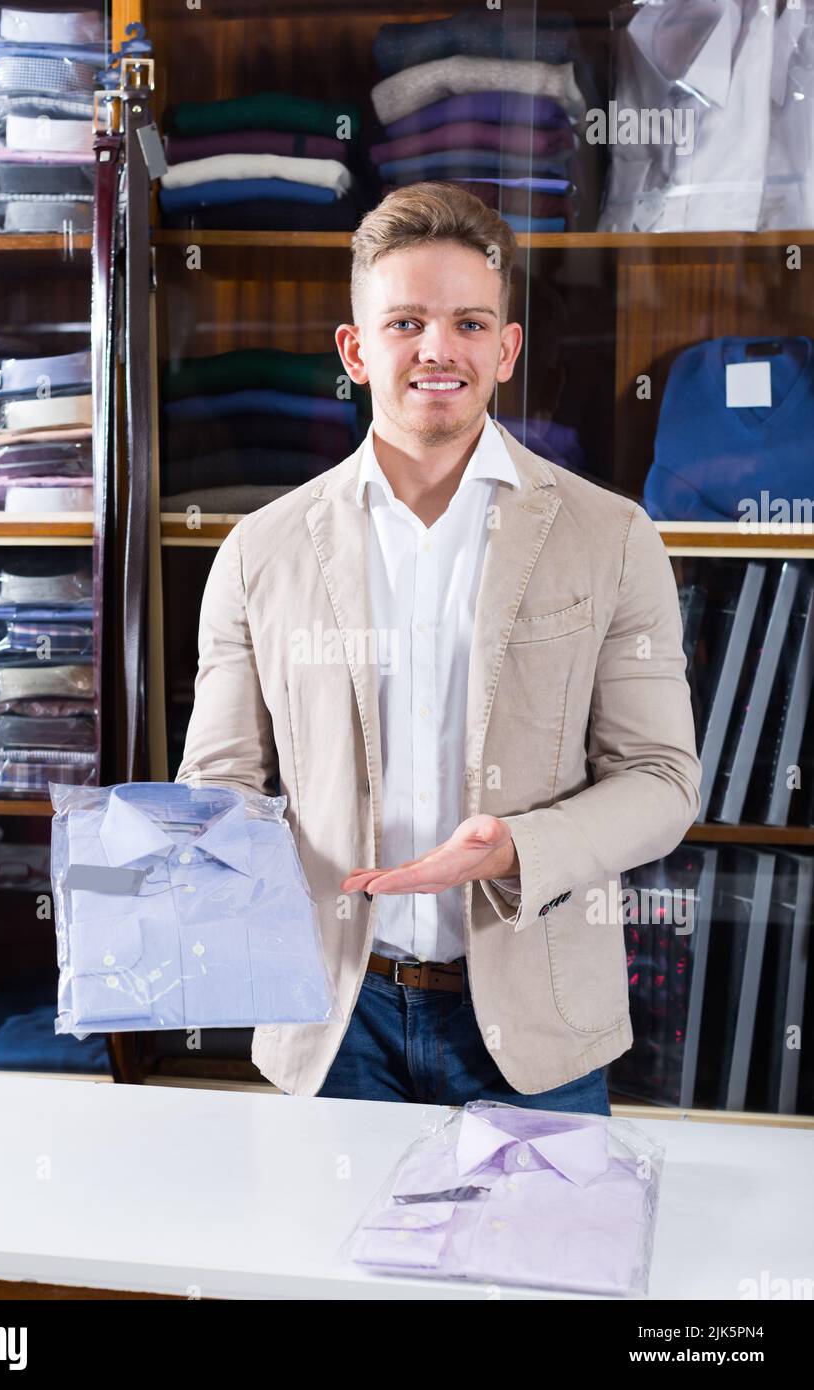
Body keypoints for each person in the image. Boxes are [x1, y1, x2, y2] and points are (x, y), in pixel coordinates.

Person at [176, 181, 701, 1112]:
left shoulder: (612, 537)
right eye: (406, 322)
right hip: (333, 1023)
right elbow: (218, 781)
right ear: (355, 348)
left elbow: (662, 783)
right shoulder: (259, 551)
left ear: (506, 349)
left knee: (537, 1261)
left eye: (468, 323)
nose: (437, 350)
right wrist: (137, 876)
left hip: (536, 1029)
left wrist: (516, 849)